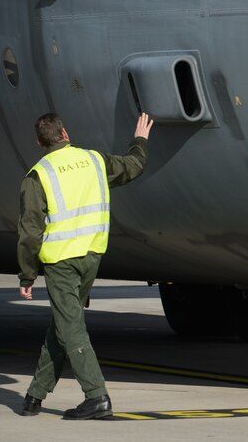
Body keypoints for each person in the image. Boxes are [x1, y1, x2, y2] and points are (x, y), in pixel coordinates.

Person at [17, 112, 154, 419]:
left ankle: (96, 396)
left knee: (71, 327)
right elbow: (134, 166)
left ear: (40, 142)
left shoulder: (37, 175)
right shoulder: (93, 160)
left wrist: (27, 274)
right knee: (65, 323)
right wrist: (140, 140)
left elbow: (29, 232)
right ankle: (34, 396)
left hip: (61, 261)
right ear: (64, 132)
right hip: (92, 255)